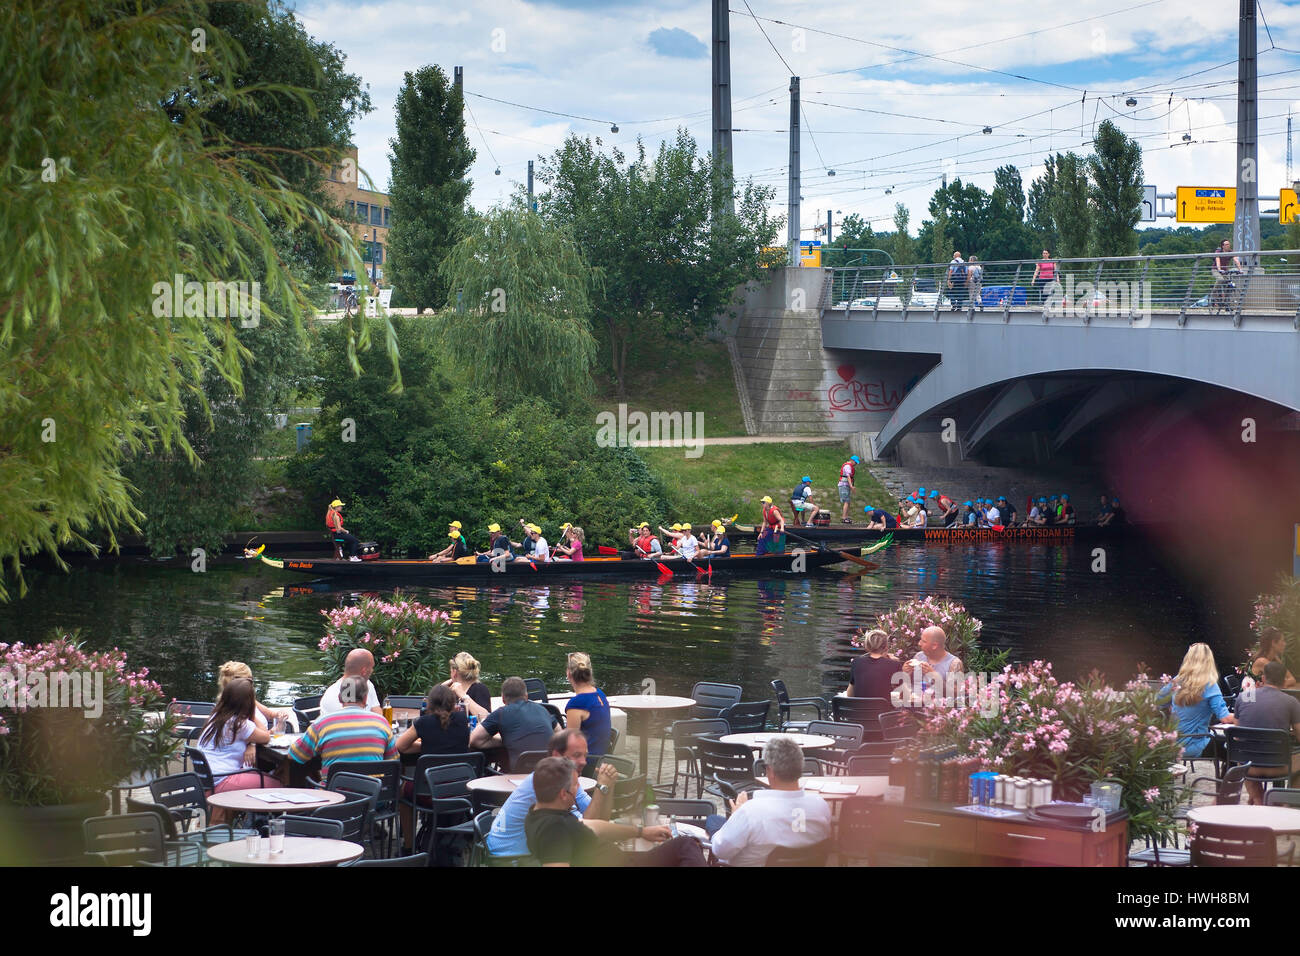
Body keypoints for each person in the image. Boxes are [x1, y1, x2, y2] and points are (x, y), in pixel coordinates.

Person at [524, 757, 706, 866]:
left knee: (686, 844)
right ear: (564, 794)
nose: (579, 787)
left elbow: (595, 826)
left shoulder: (538, 813)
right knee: (686, 846)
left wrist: (642, 832)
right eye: (576, 785)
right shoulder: (553, 832)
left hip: (624, 860)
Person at [486, 729, 618, 858]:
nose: (584, 761)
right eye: (577, 755)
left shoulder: (568, 779)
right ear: (556, 756)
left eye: (585, 755)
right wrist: (601, 787)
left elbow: (600, 821)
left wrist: (608, 787)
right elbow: (588, 830)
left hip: (532, 850)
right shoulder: (545, 781)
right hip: (511, 856)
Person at [708, 736, 833, 867]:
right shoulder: (820, 806)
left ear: (771, 772)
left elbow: (720, 851)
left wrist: (735, 817)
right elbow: (795, 830)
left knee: (713, 820)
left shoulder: (750, 812)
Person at [395, 683, 471, 849]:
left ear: (430, 703)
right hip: (460, 790)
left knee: (402, 791)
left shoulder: (423, 722)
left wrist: (428, 745)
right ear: (453, 703)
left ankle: (409, 846)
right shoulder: (462, 719)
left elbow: (401, 746)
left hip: (430, 793)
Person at [196, 677, 273, 824]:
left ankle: (251, 822)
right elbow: (265, 736)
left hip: (209, 779)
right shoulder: (239, 723)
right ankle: (264, 826)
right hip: (224, 779)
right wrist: (253, 712)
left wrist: (250, 744)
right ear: (247, 702)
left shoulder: (215, 717)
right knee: (280, 786)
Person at [288, 675, 397, 774]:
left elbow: (294, 755)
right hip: (374, 793)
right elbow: (393, 761)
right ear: (365, 698)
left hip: (334, 794)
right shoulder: (382, 723)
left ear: (340, 698)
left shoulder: (322, 723)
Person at [1234, 660, 1300, 803]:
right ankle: (1287, 804)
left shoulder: (1244, 697)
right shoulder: (1291, 701)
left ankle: (1258, 799)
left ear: (1263, 678)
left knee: (1243, 754)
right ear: (1283, 681)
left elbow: (1237, 736)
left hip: (1248, 768)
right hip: (1279, 767)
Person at [1158, 644, 1235, 761]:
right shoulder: (1210, 685)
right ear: (1209, 661)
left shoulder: (1176, 681)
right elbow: (1225, 718)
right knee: (1234, 748)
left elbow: (1158, 701)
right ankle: (1229, 779)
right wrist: (1244, 716)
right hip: (1197, 744)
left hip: (1173, 745)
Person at [471, 676, 555, 769]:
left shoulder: (500, 713)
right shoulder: (543, 710)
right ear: (526, 696)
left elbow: (474, 740)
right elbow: (559, 734)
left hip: (517, 776)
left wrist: (505, 740)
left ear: (503, 699)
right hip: (549, 771)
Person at [564, 652, 611, 757]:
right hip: (601, 758)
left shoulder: (577, 704)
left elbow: (570, 745)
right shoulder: (600, 694)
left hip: (586, 762)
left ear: (568, 674)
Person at [318, 648, 383, 718]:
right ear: (364, 671)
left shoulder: (367, 684)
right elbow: (350, 725)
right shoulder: (333, 695)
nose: (372, 671)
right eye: (372, 667)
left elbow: (376, 709)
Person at [846, 628, 903, 704]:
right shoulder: (895, 664)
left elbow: (850, 694)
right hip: (885, 714)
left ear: (867, 645)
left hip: (859, 713)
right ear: (886, 646)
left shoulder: (856, 662)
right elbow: (902, 695)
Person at [905, 626, 962, 694]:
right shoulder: (919, 656)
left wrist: (935, 678)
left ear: (934, 645)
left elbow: (956, 694)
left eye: (924, 641)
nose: (919, 643)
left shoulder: (954, 663)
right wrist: (906, 673)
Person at [443, 650, 494, 717]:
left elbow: (485, 717)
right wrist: (441, 688)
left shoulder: (479, 689)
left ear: (454, 672)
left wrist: (463, 696)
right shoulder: (450, 689)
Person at [838, 455, 859, 523]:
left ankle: (846, 517)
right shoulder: (847, 466)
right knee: (846, 501)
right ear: (852, 460)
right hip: (844, 485)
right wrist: (851, 486)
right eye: (855, 462)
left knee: (848, 502)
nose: (856, 464)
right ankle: (844, 518)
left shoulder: (850, 466)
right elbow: (848, 476)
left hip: (846, 486)